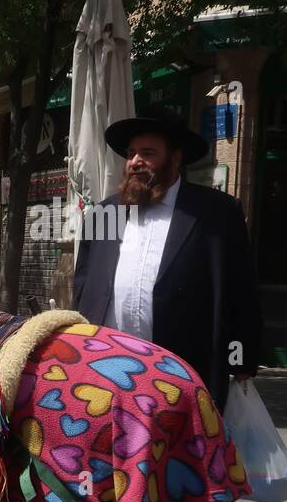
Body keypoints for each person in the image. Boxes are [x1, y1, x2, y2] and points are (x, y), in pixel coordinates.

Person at [73, 106, 260, 410]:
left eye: (148, 153)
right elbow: (83, 287)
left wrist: (240, 365)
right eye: (131, 153)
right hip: (106, 373)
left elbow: (241, 296)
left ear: (175, 158)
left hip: (182, 377)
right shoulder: (103, 214)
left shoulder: (216, 212)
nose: (135, 161)